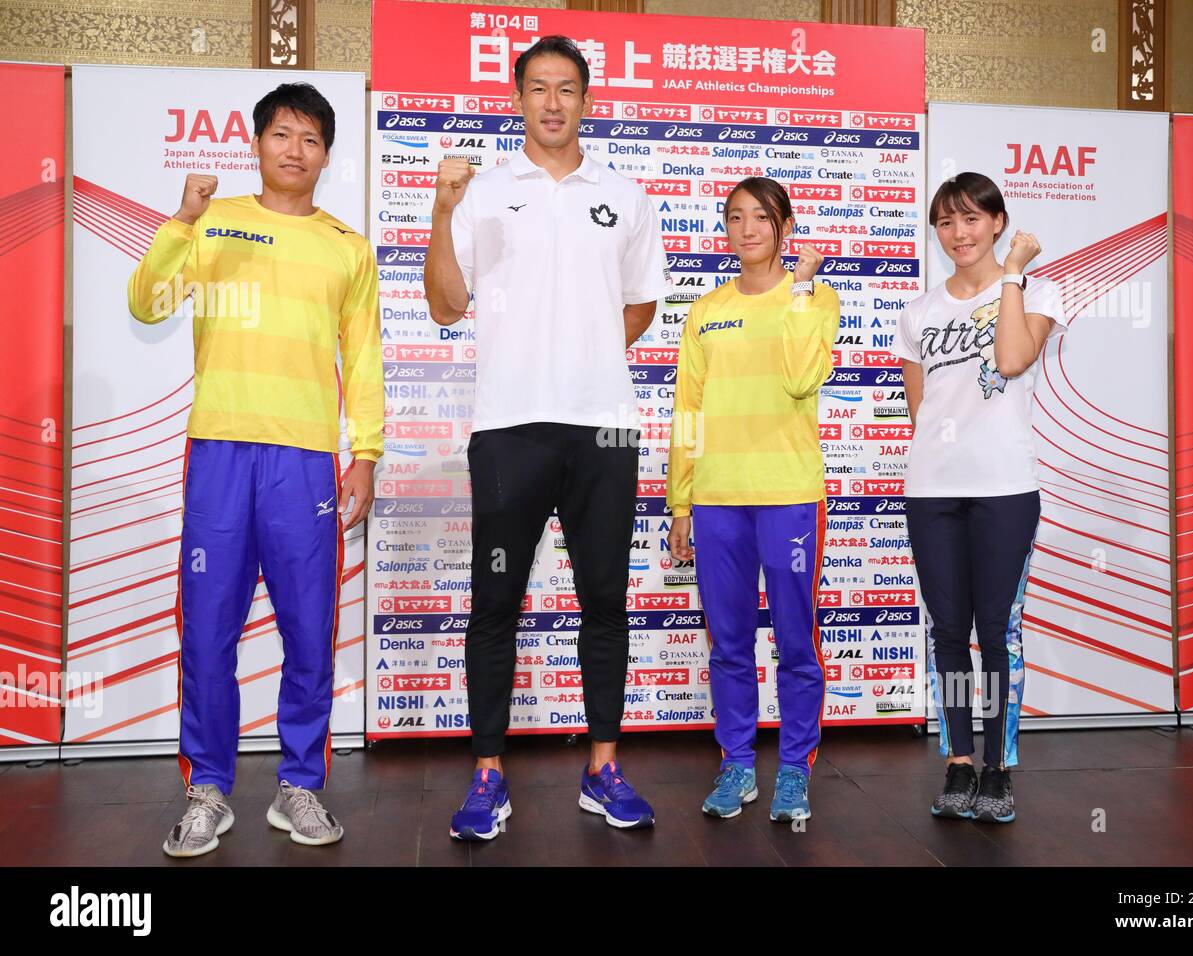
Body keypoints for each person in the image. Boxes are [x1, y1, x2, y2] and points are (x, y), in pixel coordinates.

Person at [423, 36, 674, 841]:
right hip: (508, 430)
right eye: (539, 88)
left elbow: (641, 305)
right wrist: (439, 210)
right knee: (495, 603)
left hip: (604, 429)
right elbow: (441, 303)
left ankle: (603, 767)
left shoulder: (626, 195)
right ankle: (488, 777)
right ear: (518, 97)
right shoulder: (483, 192)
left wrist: (585, 348)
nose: (554, 102)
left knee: (605, 600)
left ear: (587, 99)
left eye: (568, 88)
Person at [127, 83, 382, 857]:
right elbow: (147, 304)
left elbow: (363, 362)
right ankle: (208, 786)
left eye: (310, 138)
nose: (295, 149)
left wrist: (363, 454)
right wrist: (179, 223)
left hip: (305, 462)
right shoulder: (216, 222)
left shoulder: (348, 246)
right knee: (208, 629)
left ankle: (299, 786)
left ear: (326, 156)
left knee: (309, 631)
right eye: (281, 134)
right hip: (220, 454)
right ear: (258, 143)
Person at [890, 172, 1065, 824]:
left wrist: (1014, 273)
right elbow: (921, 409)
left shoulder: (1036, 290)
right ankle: (959, 759)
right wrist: (940, 461)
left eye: (971, 219)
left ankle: (997, 765)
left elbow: (1015, 358)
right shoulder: (919, 313)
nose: (958, 233)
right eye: (946, 221)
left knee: (997, 632)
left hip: (1004, 488)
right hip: (933, 489)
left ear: (997, 222)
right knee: (948, 634)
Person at [666, 177, 840, 822]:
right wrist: (680, 501)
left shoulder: (816, 299)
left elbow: (800, 376)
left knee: (796, 640)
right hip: (717, 500)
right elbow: (688, 409)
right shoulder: (707, 309)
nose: (746, 230)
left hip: (788, 495)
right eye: (734, 217)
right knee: (730, 642)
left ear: (784, 226)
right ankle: (736, 764)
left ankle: (794, 769)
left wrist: (800, 287)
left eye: (760, 218)